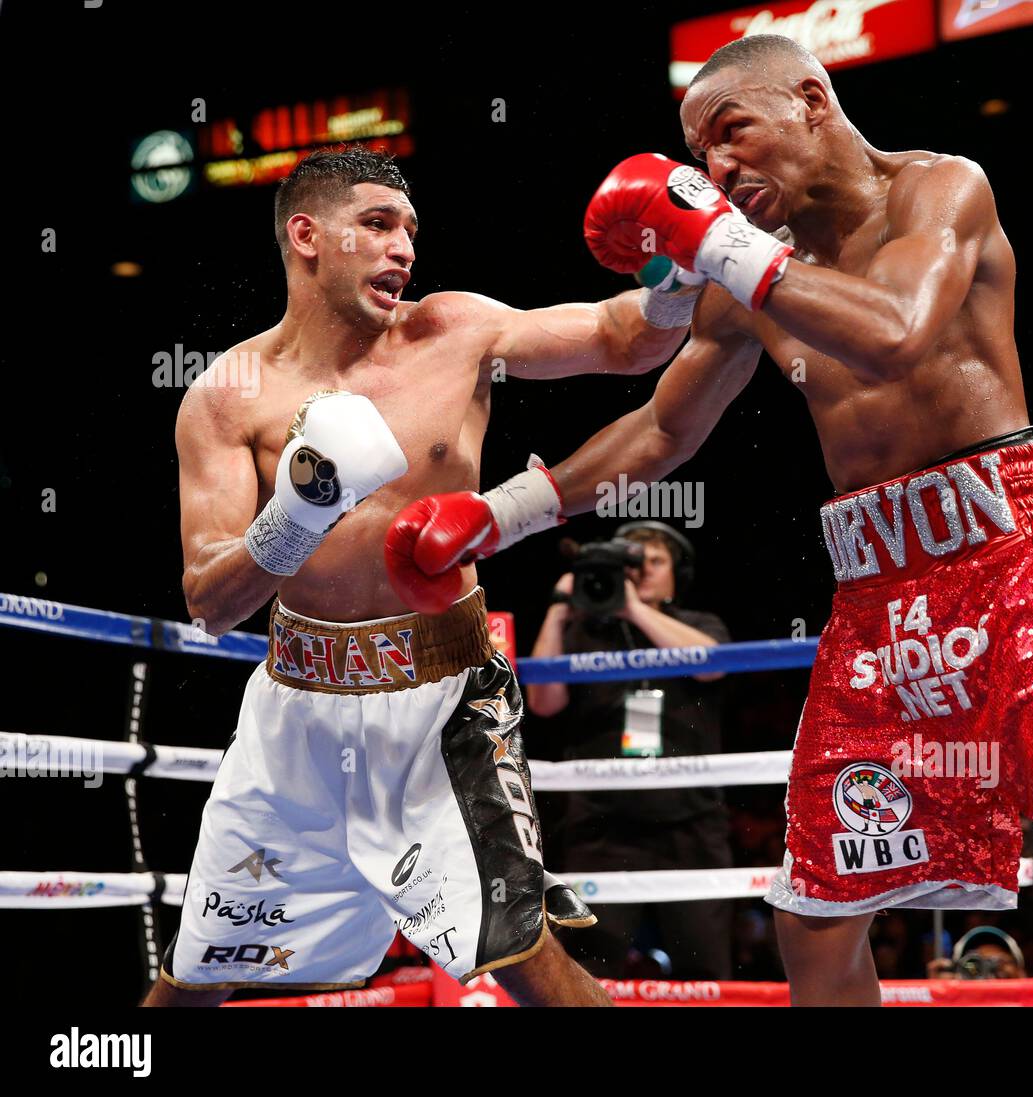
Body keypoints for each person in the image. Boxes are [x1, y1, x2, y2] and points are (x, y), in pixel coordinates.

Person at [392, 35, 1033, 1006]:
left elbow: (899, 329)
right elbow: (660, 430)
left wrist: (719, 244)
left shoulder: (940, 190)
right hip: (875, 599)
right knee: (815, 915)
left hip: (1007, 556)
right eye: (699, 159)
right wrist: (497, 514)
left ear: (811, 100)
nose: (718, 169)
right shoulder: (747, 273)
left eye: (732, 132)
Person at [144, 144, 704, 1007]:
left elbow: (625, 341)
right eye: (376, 225)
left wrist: (673, 269)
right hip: (295, 709)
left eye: (410, 229)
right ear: (306, 235)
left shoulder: (456, 331)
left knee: (523, 954)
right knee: (198, 974)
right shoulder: (228, 394)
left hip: (443, 696)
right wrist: (303, 508)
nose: (404, 247)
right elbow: (211, 601)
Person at [527, 522, 734, 979]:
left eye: (653, 562)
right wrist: (561, 609)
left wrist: (634, 609)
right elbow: (543, 702)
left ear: (677, 573)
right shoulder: (582, 632)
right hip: (602, 824)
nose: (640, 571)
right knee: (588, 966)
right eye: (631, 562)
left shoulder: (699, 624)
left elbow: (711, 668)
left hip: (691, 821)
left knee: (706, 966)